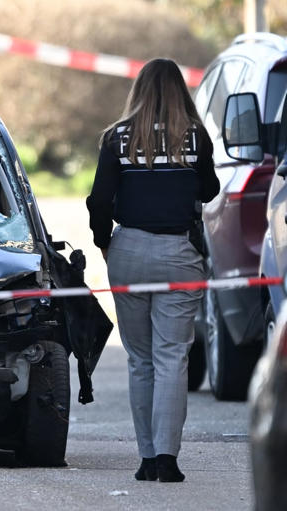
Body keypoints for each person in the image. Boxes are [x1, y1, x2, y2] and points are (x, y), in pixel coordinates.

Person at [86, 58, 220, 483]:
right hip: (179, 252)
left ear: (139, 90)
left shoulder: (116, 138)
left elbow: (99, 200)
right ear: (180, 90)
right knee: (172, 357)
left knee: (140, 359)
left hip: (128, 250)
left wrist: (105, 243)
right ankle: (167, 458)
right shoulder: (194, 135)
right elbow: (210, 190)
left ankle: (146, 459)